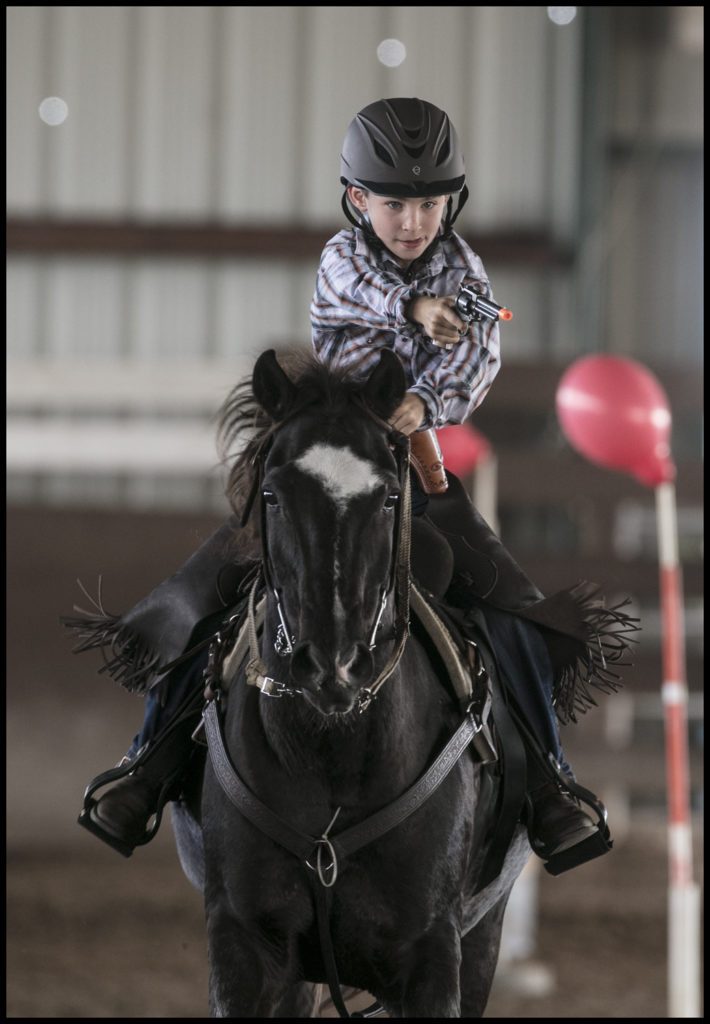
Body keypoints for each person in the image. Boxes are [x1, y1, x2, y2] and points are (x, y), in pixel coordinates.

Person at [71, 97, 633, 873]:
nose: (412, 220)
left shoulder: (468, 273)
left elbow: (481, 359)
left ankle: (550, 781)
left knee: (509, 603)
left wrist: (427, 401)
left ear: (451, 203)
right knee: (210, 585)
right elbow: (351, 293)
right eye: (395, 202)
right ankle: (149, 761)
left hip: (410, 462)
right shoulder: (342, 254)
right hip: (316, 452)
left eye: (430, 203)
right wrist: (415, 306)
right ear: (358, 200)